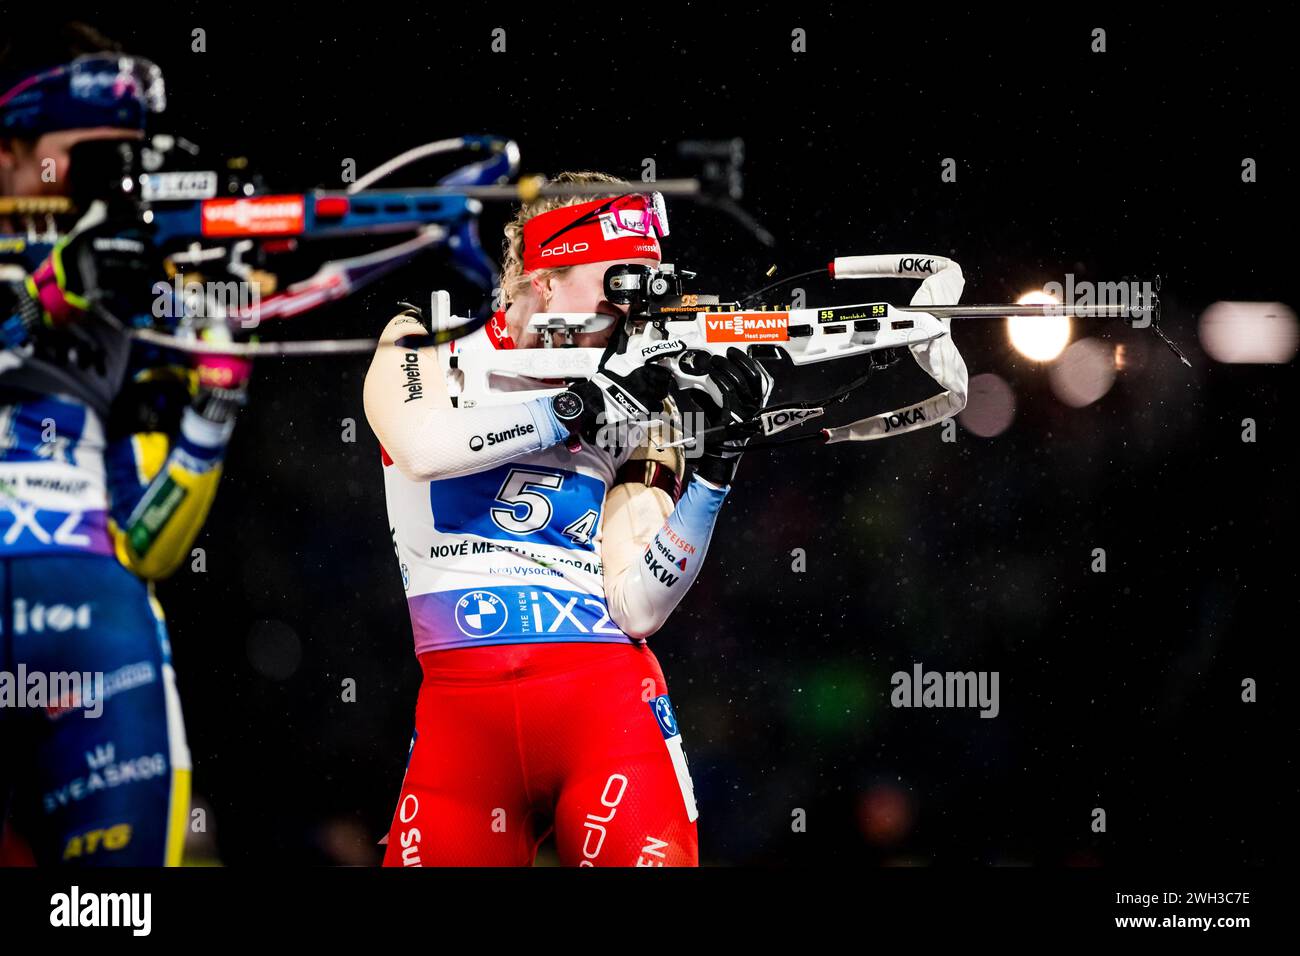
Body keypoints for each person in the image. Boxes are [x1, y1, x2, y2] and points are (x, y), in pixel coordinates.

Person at [364, 174, 770, 866]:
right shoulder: (427, 340)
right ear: (546, 279)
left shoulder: (644, 398)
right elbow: (421, 447)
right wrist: (574, 409)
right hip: (463, 728)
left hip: (605, 710)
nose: (636, 309)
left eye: (648, 284)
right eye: (619, 283)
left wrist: (711, 476)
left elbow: (638, 607)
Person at [0, 25, 248, 866]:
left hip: (93, 634)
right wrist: (41, 301)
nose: (114, 190)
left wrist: (214, 396)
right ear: (10, 152)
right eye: (89, 161)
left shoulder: (137, 288)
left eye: (130, 165)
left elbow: (146, 543)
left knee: (114, 908)